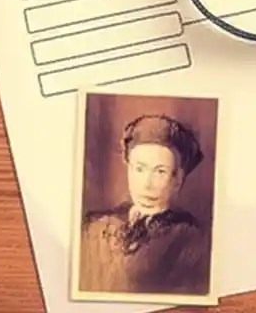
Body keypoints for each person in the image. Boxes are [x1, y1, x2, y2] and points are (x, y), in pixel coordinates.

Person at [78, 113, 211, 297]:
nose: (147, 184)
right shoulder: (95, 227)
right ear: (128, 168)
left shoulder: (188, 239)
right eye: (139, 169)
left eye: (160, 172)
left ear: (177, 179)